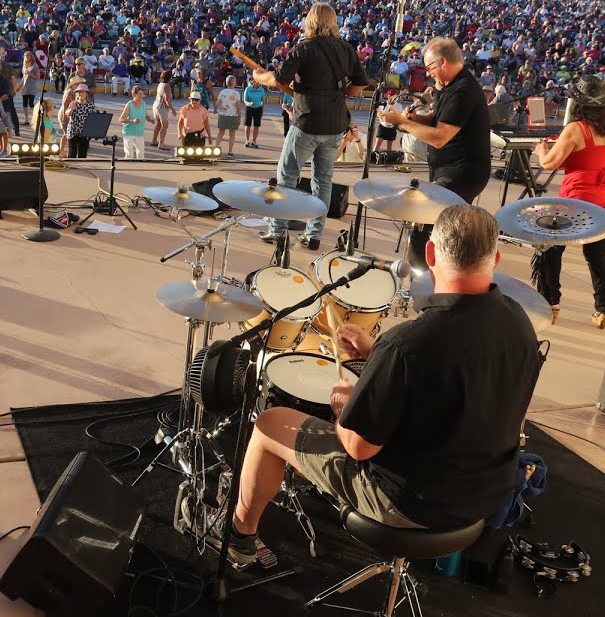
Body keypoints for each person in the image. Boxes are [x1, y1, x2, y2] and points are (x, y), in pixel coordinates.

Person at [182, 204, 541, 565]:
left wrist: (343, 406)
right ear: (494, 258)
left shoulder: (409, 343)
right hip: (487, 493)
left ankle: (237, 537)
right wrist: (376, 355)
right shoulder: (520, 325)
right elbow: (462, 381)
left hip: (410, 504)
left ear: (430, 254)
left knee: (270, 423)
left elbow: (358, 447)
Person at [254, 2, 369, 251]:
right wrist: (339, 95)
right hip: (335, 124)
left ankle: (278, 229)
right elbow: (361, 83)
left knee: (287, 177)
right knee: (324, 181)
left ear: (311, 22)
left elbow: (278, 79)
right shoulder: (346, 49)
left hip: (307, 122)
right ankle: (313, 234)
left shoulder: (304, 49)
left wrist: (258, 76)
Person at [378, 36, 491, 271]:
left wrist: (401, 122)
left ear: (442, 62)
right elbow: (437, 118)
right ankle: (440, 274)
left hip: (463, 172)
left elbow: (440, 138)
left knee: (423, 222)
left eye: (429, 67)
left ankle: (421, 285)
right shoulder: (448, 86)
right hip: (448, 168)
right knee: (443, 227)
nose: (428, 73)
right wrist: (413, 119)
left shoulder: (463, 91)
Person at [532, 75, 605, 329]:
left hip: (577, 202)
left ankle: (551, 303)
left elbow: (549, 163)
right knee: (597, 254)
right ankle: (603, 309)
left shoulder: (576, 129)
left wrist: (541, 150)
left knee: (550, 249)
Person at [62, 82, 96, 158]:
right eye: (79, 92)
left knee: (83, 154)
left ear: (86, 93)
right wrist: (72, 109)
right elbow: (67, 113)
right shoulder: (73, 103)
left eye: (83, 91)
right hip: (73, 131)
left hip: (85, 132)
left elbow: (93, 118)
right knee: (72, 153)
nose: (81, 93)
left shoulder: (91, 105)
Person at [117, 85, 150, 160]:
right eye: (140, 94)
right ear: (134, 95)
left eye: (142, 94)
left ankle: (140, 169)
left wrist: (151, 120)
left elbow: (146, 116)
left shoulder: (143, 104)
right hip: (129, 133)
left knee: (141, 154)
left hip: (139, 132)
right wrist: (132, 120)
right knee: (129, 155)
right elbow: (121, 119)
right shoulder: (129, 104)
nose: (142, 96)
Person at [214, 75, 243, 156]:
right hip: (232, 115)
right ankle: (230, 151)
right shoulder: (236, 93)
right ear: (233, 83)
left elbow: (217, 103)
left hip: (223, 114)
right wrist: (239, 117)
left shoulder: (222, 92)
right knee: (232, 134)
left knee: (221, 132)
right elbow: (238, 107)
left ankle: (215, 148)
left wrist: (215, 109)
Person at [151, 70, 174, 150]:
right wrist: (172, 109)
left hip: (156, 105)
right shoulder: (166, 86)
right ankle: (161, 143)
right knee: (165, 125)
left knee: (158, 124)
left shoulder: (160, 84)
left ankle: (154, 140)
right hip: (162, 107)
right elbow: (167, 100)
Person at [242, 75, 266, 150]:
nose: (258, 82)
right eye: (257, 81)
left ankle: (254, 141)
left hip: (258, 108)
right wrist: (249, 103)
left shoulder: (261, 89)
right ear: (252, 81)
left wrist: (262, 110)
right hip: (249, 108)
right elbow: (245, 100)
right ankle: (247, 141)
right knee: (247, 125)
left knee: (256, 126)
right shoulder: (248, 89)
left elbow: (263, 101)